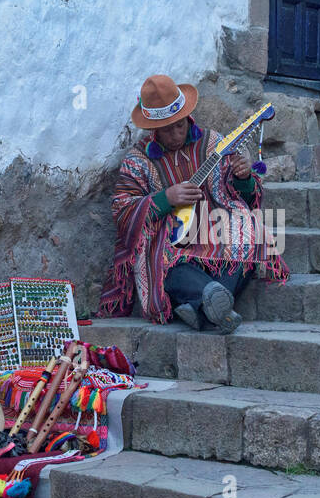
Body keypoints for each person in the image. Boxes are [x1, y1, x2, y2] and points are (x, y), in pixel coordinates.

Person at [98, 74, 289, 333]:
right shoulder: (138, 160)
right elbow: (122, 211)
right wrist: (166, 198)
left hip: (213, 228)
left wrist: (243, 178)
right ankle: (212, 304)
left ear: (188, 117)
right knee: (163, 255)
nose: (176, 133)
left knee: (249, 230)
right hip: (172, 238)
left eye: (180, 125)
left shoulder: (213, 143)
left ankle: (203, 307)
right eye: (167, 129)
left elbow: (244, 197)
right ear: (153, 129)